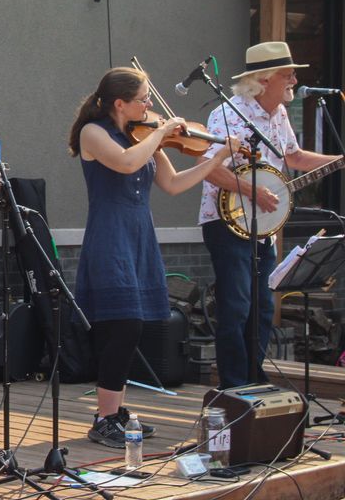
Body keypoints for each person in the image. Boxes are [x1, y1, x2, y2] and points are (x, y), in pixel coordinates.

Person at [68, 67, 239, 448]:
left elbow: (174, 185)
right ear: (120, 103)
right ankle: (105, 417)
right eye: (143, 99)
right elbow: (126, 163)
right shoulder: (94, 133)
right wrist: (161, 133)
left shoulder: (143, 136)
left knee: (136, 326)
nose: (150, 105)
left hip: (139, 237)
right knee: (122, 323)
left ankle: (114, 412)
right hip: (110, 236)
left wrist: (217, 158)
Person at [198, 41, 342, 390]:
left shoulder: (277, 114)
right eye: (287, 73)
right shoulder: (228, 114)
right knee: (236, 307)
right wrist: (251, 191)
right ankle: (233, 385)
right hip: (227, 223)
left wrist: (339, 161)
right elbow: (207, 167)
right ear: (263, 80)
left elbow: (293, 158)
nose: (294, 79)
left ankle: (253, 377)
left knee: (262, 308)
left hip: (264, 227)